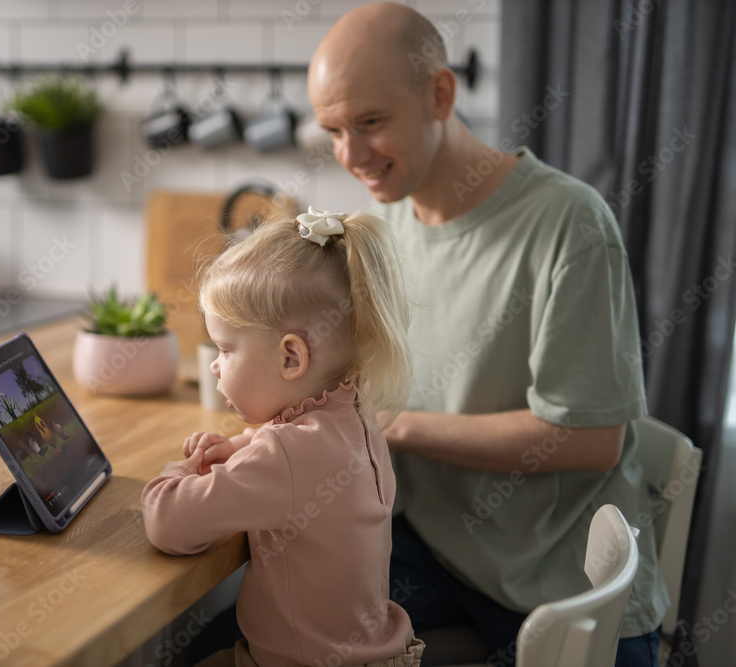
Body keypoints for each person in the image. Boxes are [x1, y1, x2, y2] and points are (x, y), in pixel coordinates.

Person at [306, 3, 668, 666]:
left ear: (440, 94)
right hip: (438, 554)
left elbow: (589, 439)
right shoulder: (382, 233)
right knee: (248, 632)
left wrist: (399, 425)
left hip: (562, 593)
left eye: (371, 122)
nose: (350, 155)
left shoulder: (569, 222)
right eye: (333, 130)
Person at [141, 208, 425, 667]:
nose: (214, 365)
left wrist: (184, 468)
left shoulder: (287, 456)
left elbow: (167, 524)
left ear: (291, 358)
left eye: (226, 349)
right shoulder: (358, 410)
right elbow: (294, 445)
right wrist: (238, 446)